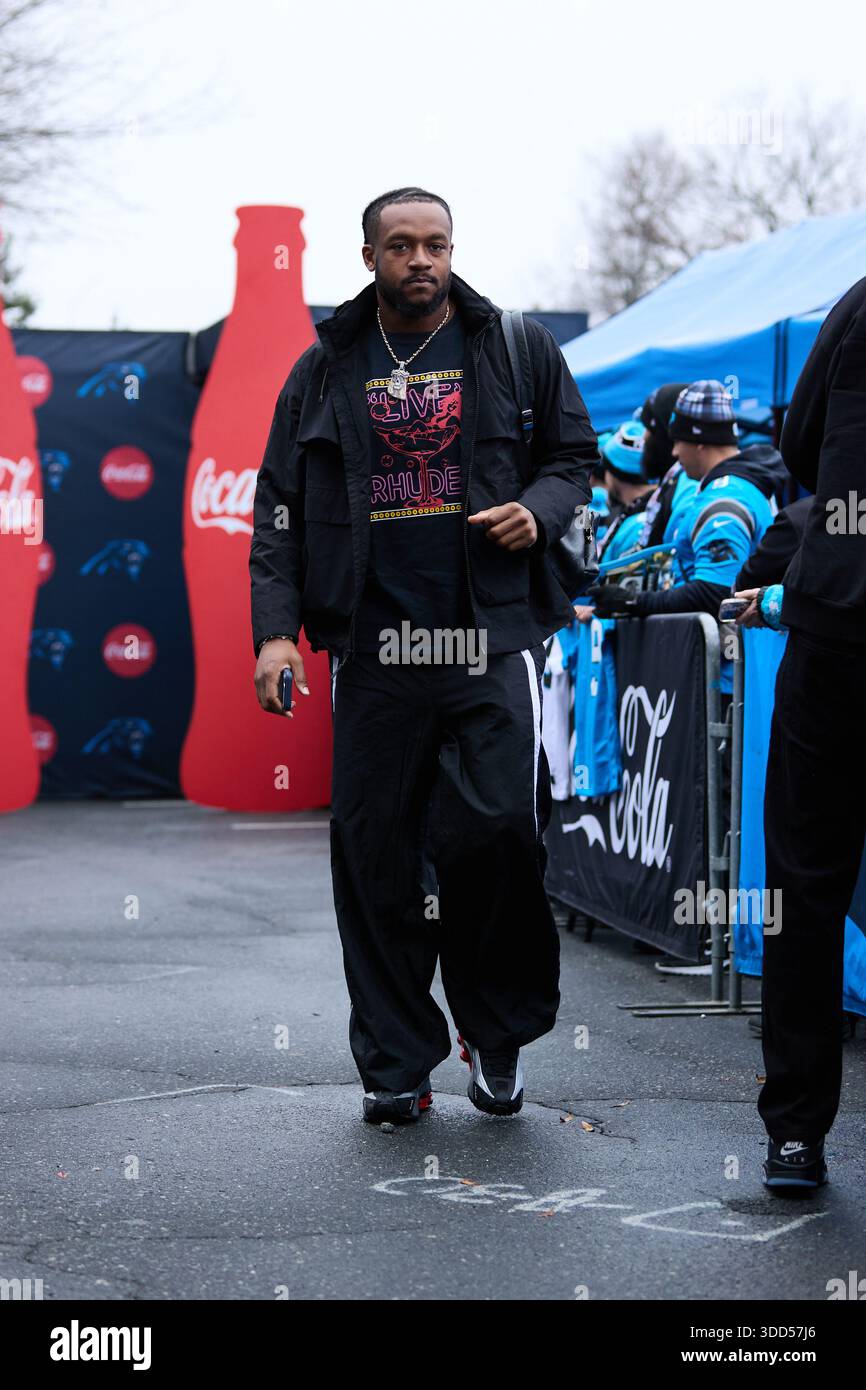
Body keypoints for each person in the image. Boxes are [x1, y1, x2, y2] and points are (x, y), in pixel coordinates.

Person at [249, 186, 599, 1125]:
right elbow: (277, 504)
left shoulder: (515, 347)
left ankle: (495, 1030)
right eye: (400, 245)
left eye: (435, 244)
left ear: (453, 250)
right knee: (376, 857)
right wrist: (277, 630)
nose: (420, 260)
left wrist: (543, 510)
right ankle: (398, 1061)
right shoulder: (324, 368)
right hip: (374, 648)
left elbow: (575, 460)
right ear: (369, 257)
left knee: (491, 838)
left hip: (486, 638)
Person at [750, 276, 866, 1190]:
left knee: (806, 889)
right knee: (805, 888)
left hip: (836, 620)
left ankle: (796, 1133)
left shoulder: (859, 304)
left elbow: (798, 439)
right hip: (837, 624)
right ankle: (794, 1130)